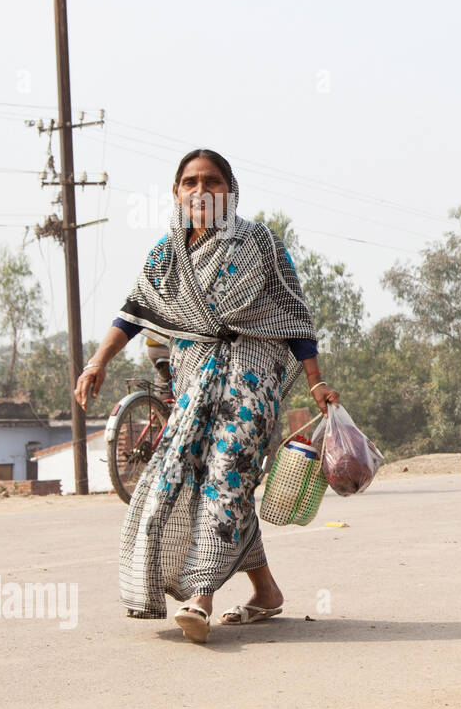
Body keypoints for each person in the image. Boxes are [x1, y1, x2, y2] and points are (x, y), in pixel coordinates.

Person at [73, 149, 339, 643]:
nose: (201, 190)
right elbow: (133, 312)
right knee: (190, 478)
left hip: (252, 376)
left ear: (229, 191)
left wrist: (316, 380)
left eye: (212, 181)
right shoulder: (165, 253)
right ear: (176, 193)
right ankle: (266, 590)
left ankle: (201, 596)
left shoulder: (259, 243)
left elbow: (293, 315)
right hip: (194, 378)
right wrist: (98, 362)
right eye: (190, 182)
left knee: (227, 471)